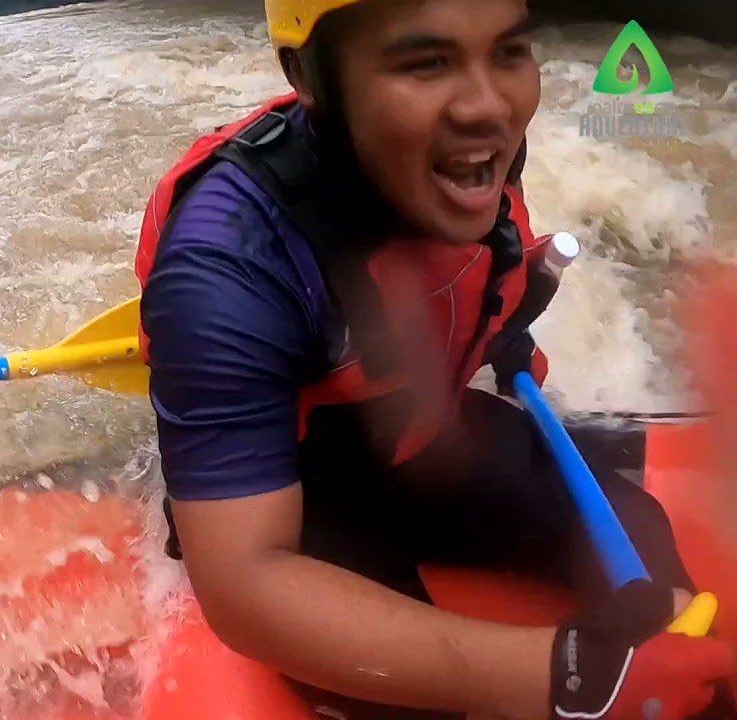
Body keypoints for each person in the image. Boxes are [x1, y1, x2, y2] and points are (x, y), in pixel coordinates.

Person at [135, 1, 735, 719]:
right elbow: (246, 583)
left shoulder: (469, 157)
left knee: (638, 526)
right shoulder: (226, 261)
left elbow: (473, 268)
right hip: (308, 487)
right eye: (427, 63)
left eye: (508, 52)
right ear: (308, 77)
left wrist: (500, 328)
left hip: (423, 432)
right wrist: (566, 677)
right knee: (413, 703)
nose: (489, 107)